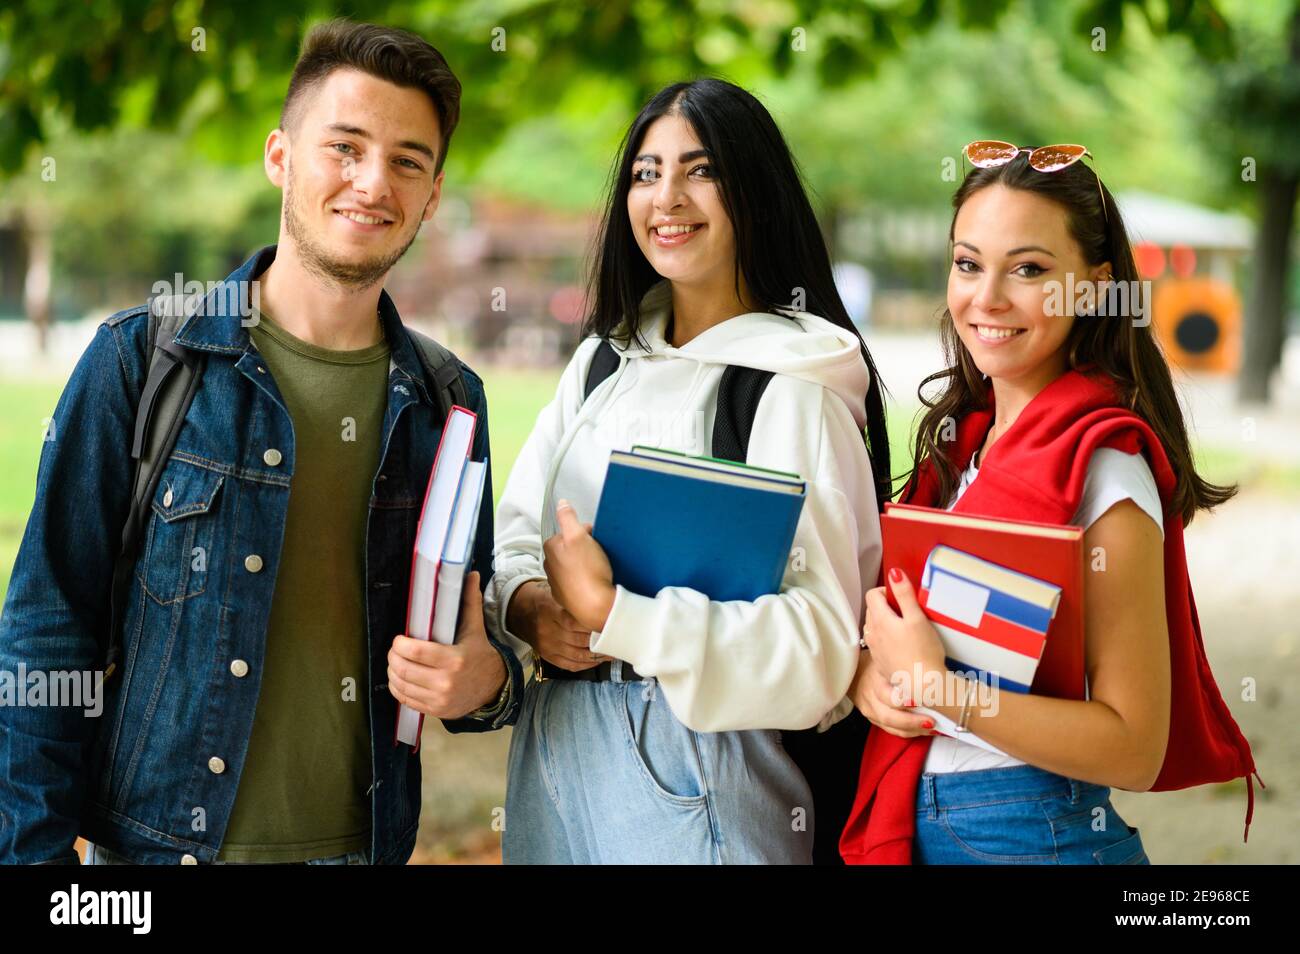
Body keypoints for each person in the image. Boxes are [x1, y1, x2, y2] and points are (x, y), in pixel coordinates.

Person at [0, 19, 522, 866]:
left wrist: (485, 680)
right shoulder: (141, 359)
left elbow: (472, 644)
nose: (372, 182)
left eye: (407, 161)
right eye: (344, 147)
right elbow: (44, 631)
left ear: (432, 197)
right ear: (280, 157)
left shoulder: (449, 400)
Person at [483, 78, 889, 864]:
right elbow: (518, 538)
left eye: (701, 171)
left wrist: (618, 615)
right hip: (554, 747)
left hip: (696, 763)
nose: (666, 197)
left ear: (755, 192)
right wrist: (536, 610)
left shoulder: (793, 385)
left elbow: (822, 652)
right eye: (645, 173)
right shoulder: (602, 362)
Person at [840, 143, 1260, 865]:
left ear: (1095, 288)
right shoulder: (962, 450)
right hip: (934, 820)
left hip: (1028, 834)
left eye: (1029, 269)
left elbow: (1133, 746)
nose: (988, 298)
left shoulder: (1105, 467)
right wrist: (869, 677)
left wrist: (938, 688)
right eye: (968, 263)